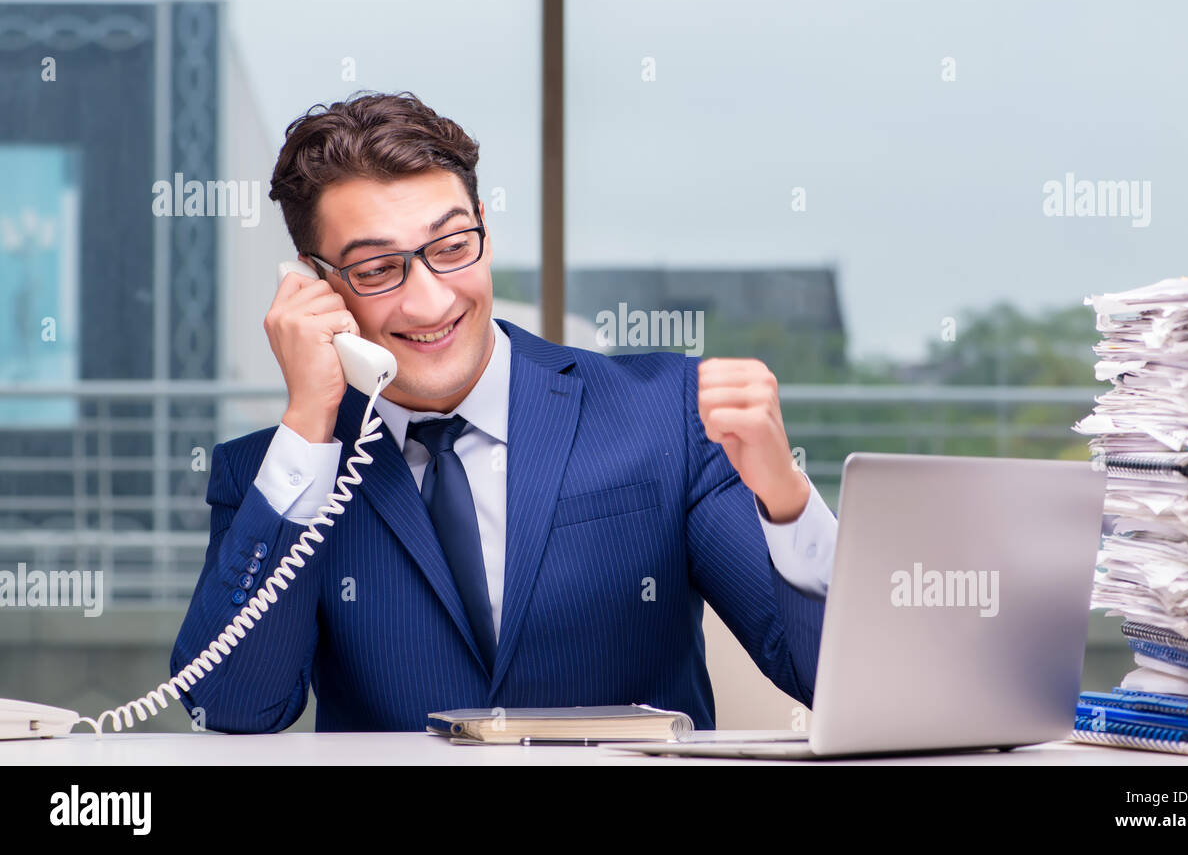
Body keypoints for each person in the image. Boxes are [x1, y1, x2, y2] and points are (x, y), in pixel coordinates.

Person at [170, 91, 839, 733]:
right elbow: (233, 703)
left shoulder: (665, 413)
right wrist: (311, 427)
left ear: (484, 227)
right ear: (319, 288)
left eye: (452, 246)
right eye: (377, 268)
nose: (431, 303)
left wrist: (785, 498)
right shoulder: (277, 469)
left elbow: (821, 673)